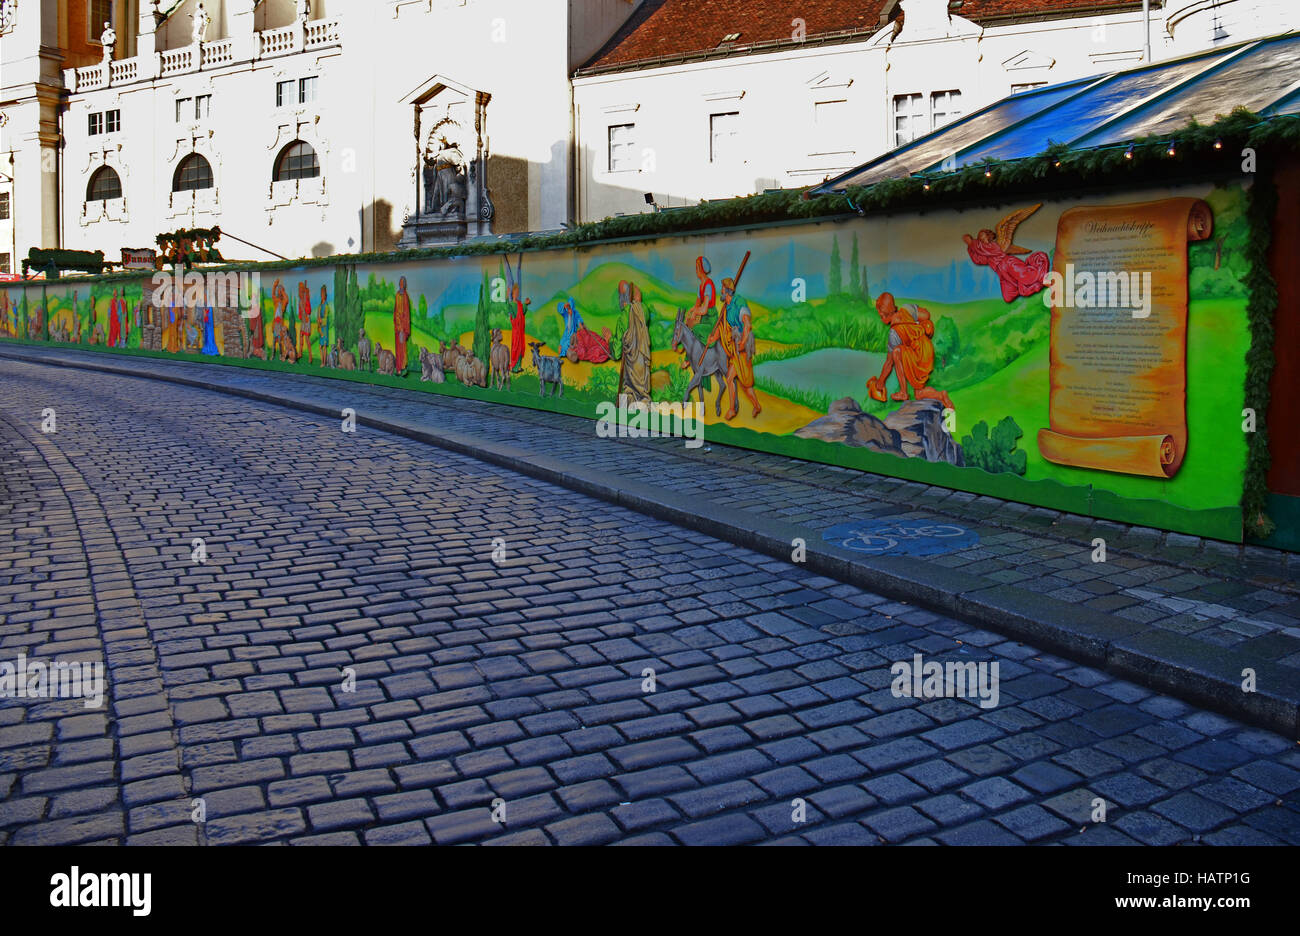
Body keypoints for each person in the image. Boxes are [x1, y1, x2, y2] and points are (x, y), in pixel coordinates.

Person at [866, 292, 953, 409]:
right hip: (927, 349)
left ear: (884, 316)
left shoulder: (893, 333)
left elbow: (889, 363)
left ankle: (903, 392)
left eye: (880, 315)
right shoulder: (907, 309)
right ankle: (941, 395)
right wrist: (926, 326)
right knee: (919, 393)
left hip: (919, 355)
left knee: (897, 352)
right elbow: (926, 315)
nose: (881, 319)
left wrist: (880, 383)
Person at [699, 277, 760, 420]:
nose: (720, 292)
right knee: (730, 377)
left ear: (726, 291)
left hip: (742, 348)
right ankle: (732, 409)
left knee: (746, 384)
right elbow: (722, 329)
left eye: (722, 290)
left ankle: (756, 405)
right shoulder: (725, 308)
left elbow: (747, 324)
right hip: (734, 350)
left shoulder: (739, 302)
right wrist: (713, 339)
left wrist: (743, 341)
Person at [617, 280, 653, 407]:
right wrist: (638, 300)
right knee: (643, 395)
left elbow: (617, 351)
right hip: (642, 362)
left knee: (629, 393)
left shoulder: (623, 317)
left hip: (630, 367)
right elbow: (645, 316)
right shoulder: (642, 310)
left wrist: (609, 339)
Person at [685, 256, 716, 328]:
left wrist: (695, 312)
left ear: (701, 269)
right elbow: (697, 305)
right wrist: (690, 311)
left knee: (696, 330)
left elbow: (704, 309)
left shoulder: (708, 285)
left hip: (711, 318)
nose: (696, 271)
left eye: (697, 268)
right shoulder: (701, 287)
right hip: (704, 318)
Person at [508, 282, 528, 373]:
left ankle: (519, 366)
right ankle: (514, 367)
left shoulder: (520, 304)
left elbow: (523, 311)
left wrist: (526, 304)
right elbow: (510, 311)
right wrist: (506, 298)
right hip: (516, 331)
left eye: (518, 292)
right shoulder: (511, 304)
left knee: (520, 348)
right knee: (515, 348)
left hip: (520, 331)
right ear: (512, 293)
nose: (517, 293)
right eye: (515, 292)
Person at [393, 276, 411, 374]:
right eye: (401, 282)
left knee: (403, 348)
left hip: (403, 328)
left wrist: (404, 329)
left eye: (403, 283)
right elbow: (396, 312)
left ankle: (403, 366)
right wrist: (398, 326)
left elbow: (406, 313)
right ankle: (398, 368)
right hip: (398, 327)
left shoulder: (405, 296)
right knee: (398, 348)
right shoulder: (397, 295)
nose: (402, 284)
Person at [297, 280, 313, 363]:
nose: (299, 291)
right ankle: (300, 352)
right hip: (303, 319)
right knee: (301, 335)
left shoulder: (306, 299)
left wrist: (306, 313)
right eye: (299, 289)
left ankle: (310, 355)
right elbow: (299, 311)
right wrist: (300, 315)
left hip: (306, 320)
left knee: (306, 338)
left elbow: (309, 310)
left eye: (301, 289)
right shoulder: (300, 300)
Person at [317, 284, 330, 366]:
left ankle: (324, 362)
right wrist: (318, 321)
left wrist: (321, 320)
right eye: (321, 294)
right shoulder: (319, 306)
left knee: (324, 346)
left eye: (323, 294)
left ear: (325, 295)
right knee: (320, 346)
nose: (322, 295)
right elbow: (318, 316)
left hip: (324, 328)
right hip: (320, 327)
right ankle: (322, 361)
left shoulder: (326, 306)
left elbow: (326, 317)